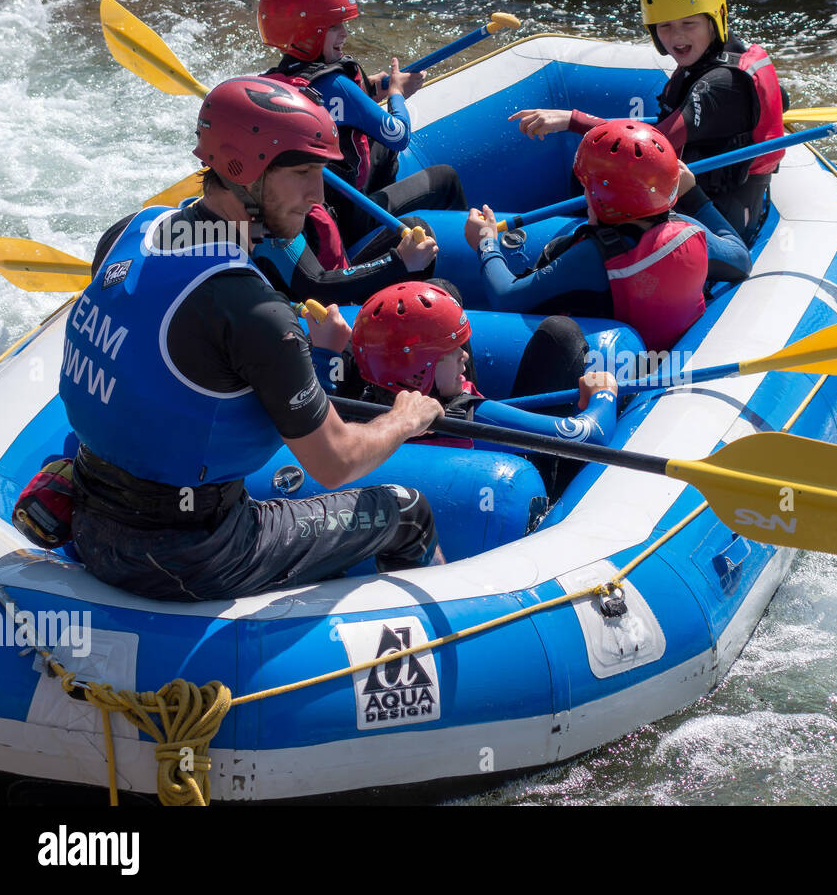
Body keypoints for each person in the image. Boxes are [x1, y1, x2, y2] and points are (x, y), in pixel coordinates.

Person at [59, 76, 449, 602]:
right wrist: (406, 418)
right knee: (408, 511)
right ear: (244, 170)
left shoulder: (133, 230)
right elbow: (336, 463)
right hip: (194, 552)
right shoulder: (255, 312)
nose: (318, 198)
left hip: (89, 510)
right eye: (305, 173)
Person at [510, 0, 786, 244]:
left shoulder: (722, 85)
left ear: (714, 18)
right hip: (703, 188)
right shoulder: (721, 55)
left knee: (602, 168)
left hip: (720, 215)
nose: (677, 37)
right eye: (665, 26)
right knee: (591, 173)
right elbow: (782, 100)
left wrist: (573, 120)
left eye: (688, 23)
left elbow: (646, 149)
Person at [308, 283, 619, 498]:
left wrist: (324, 354)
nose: (465, 356)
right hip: (516, 481)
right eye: (452, 351)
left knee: (443, 286)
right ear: (420, 367)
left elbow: (312, 417)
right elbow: (591, 436)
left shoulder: (358, 402)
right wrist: (604, 393)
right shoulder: (471, 416)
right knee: (561, 335)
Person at [465, 119, 751, 352]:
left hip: (615, 367)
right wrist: (695, 195)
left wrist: (486, 243)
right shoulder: (690, 231)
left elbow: (506, 297)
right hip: (670, 357)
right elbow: (740, 259)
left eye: (587, 188)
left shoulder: (593, 256)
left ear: (604, 198)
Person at [258, 0, 469, 246]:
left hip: (316, 209)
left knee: (376, 146)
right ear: (308, 31)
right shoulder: (338, 85)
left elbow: (336, 100)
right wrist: (395, 94)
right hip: (351, 214)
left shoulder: (272, 83)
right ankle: (462, 250)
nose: (345, 34)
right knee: (446, 178)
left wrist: (375, 86)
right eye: (335, 27)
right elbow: (399, 135)